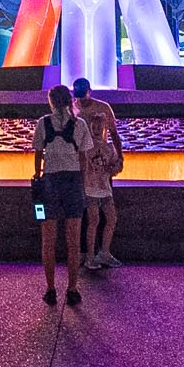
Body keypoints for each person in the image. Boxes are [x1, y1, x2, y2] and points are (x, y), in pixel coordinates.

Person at [33, 85, 88, 306]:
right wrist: (82, 183)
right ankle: (73, 288)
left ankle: (50, 288)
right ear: (69, 101)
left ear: (52, 101)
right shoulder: (80, 124)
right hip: (73, 182)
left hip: (49, 183)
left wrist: (38, 176)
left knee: (48, 240)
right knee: (73, 240)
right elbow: (83, 157)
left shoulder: (43, 122)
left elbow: (38, 153)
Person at [80, 98, 124, 271]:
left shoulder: (108, 147)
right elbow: (83, 166)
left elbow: (115, 167)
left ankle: (104, 252)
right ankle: (90, 256)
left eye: (100, 126)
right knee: (93, 221)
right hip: (91, 189)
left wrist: (115, 165)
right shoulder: (86, 147)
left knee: (111, 218)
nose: (97, 129)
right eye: (94, 126)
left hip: (105, 188)